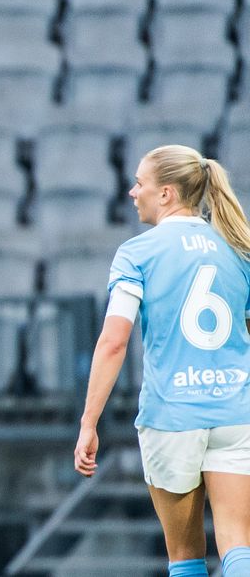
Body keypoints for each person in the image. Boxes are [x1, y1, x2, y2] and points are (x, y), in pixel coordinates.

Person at [74, 145, 250, 577]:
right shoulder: (238, 247)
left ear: (167, 193)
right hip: (235, 411)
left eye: (140, 183)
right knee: (238, 545)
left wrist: (88, 422)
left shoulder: (137, 253)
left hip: (172, 416)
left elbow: (113, 342)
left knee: (185, 556)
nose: (133, 192)